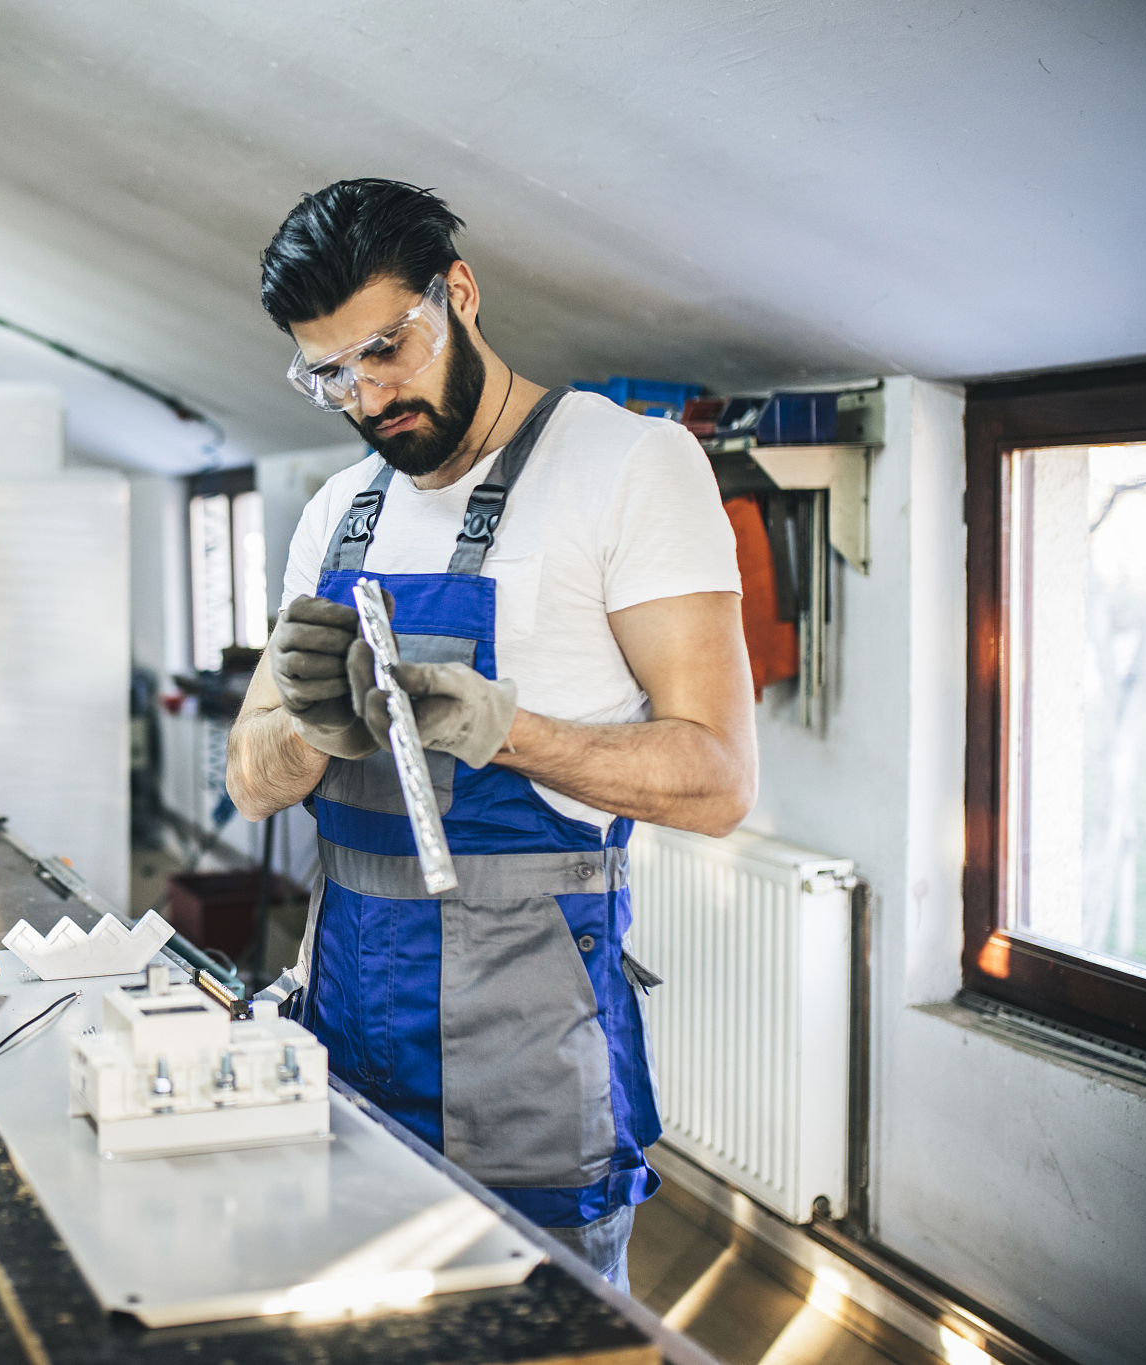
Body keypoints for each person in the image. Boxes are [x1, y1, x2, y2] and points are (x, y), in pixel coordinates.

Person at [227, 179, 757, 1294]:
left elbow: (715, 780)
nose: (368, 394)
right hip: (345, 1031)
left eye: (388, 347)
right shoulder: (336, 513)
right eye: (330, 373)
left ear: (456, 293)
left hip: (525, 1049)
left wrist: (499, 730)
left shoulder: (629, 469)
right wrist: (316, 730)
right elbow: (249, 782)